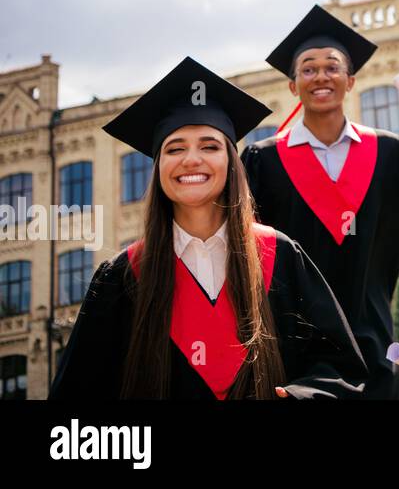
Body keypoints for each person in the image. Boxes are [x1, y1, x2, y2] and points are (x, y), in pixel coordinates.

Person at [50, 57, 367, 399]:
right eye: (175, 149)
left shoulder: (280, 256)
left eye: (209, 146)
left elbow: (340, 370)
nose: (191, 159)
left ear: (231, 162)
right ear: (158, 168)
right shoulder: (123, 276)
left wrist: (298, 397)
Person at [243, 5, 399, 399]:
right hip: (295, 354)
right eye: (308, 68)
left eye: (332, 67)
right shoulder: (262, 161)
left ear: (350, 80)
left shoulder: (389, 153)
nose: (321, 76)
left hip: (377, 349)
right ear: (293, 86)